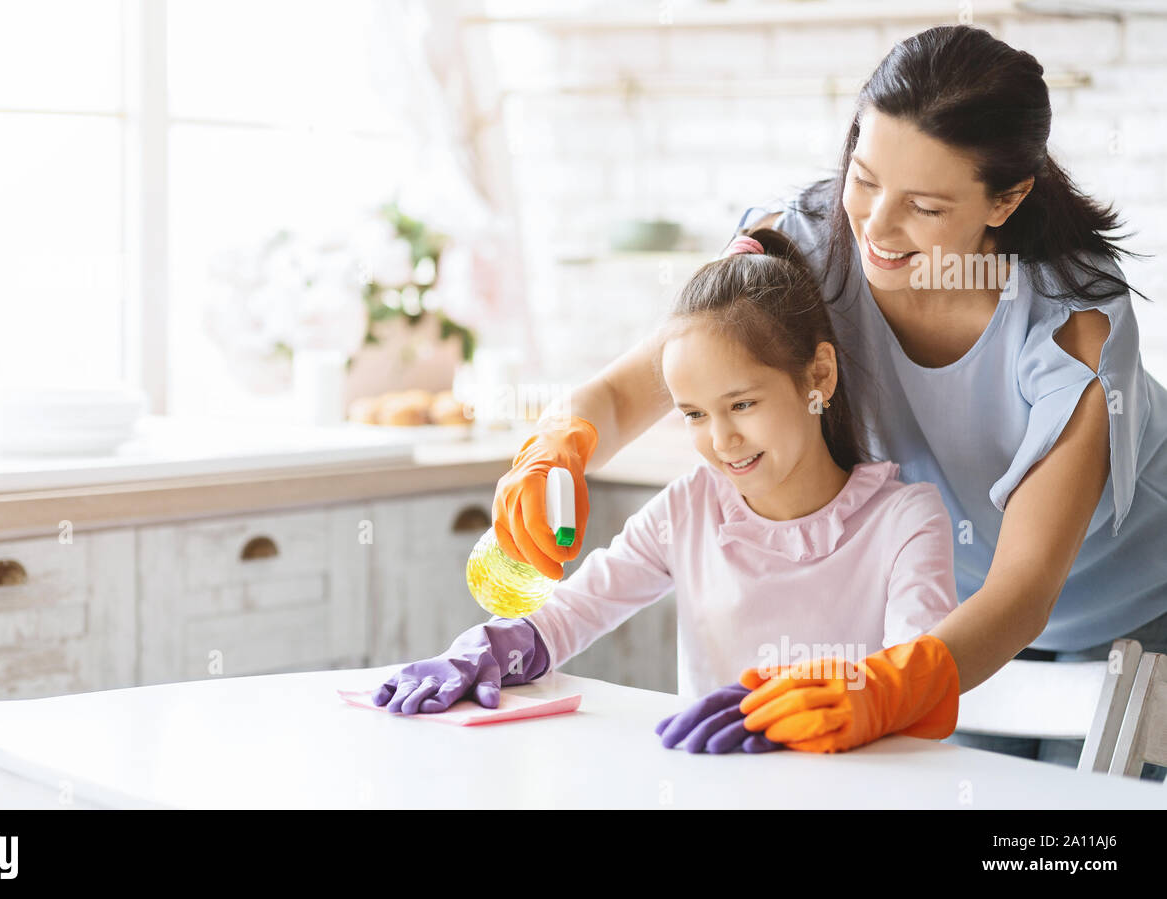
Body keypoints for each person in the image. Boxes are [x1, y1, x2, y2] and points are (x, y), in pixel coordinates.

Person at [489, 25, 1167, 777]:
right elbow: (627, 389)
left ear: (1005, 199)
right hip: (954, 621)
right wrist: (559, 443)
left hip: (1134, 607)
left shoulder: (1072, 325)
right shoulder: (804, 241)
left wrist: (889, 684)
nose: (875, 226)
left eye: (926, 206)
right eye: (865, 176)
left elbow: (1025, 585)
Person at [373, 228, 960, 755]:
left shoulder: (906, 521)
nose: (722, 439)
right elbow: (575, 611)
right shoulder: (690, 508)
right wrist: (500, 646)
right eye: (694, 414)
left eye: (743, 404)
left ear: (819, 375)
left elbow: (914, 675)